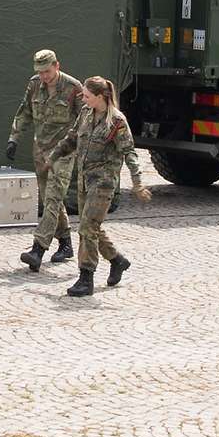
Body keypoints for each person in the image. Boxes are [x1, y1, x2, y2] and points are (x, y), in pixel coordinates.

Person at [60, 74, 150, 297]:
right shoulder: (86, 113)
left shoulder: (116, 122)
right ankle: (117, 260)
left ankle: (86, 278)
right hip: (84, 181)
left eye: (88, 96)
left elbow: (129, 152)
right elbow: (72, 138)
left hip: (103, 184)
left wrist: (138, 183)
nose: (84, 100)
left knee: (87, 228)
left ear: (101, 96)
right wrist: (53, 156)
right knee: (90, 225)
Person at [6, 48, 82, 271]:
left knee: (53, 198)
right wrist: (14, 138)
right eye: (40, 72)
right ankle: (66, 243)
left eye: (47, 71)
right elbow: (24, 112)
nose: (44, 77)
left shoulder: (73, 88)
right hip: (41, 151)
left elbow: (84, 121)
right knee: (50, 199)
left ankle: (38, 248)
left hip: (64, 152)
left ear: (57, 66)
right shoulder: (34, 85)